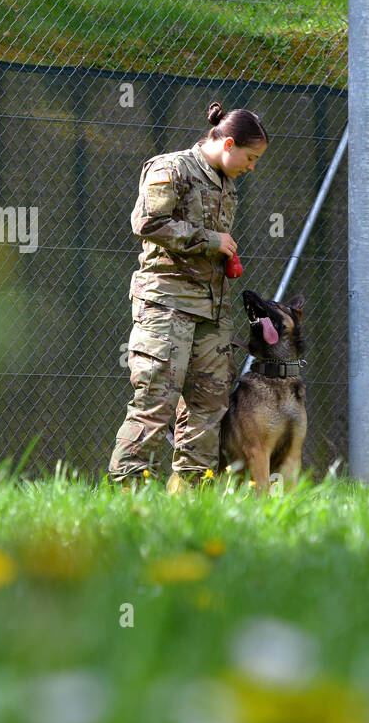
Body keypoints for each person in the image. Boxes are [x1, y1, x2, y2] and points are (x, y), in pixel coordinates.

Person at [107, 101, 268, 491]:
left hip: (211, 312)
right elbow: (146, 221)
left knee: (209, 408)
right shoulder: (171, 168)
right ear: (228, 143)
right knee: (155, 401)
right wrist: (210, 240)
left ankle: (191, 495)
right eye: (250, 157)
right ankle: (130, 491)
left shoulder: (225, 183)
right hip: (166, 305)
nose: (252, 167)